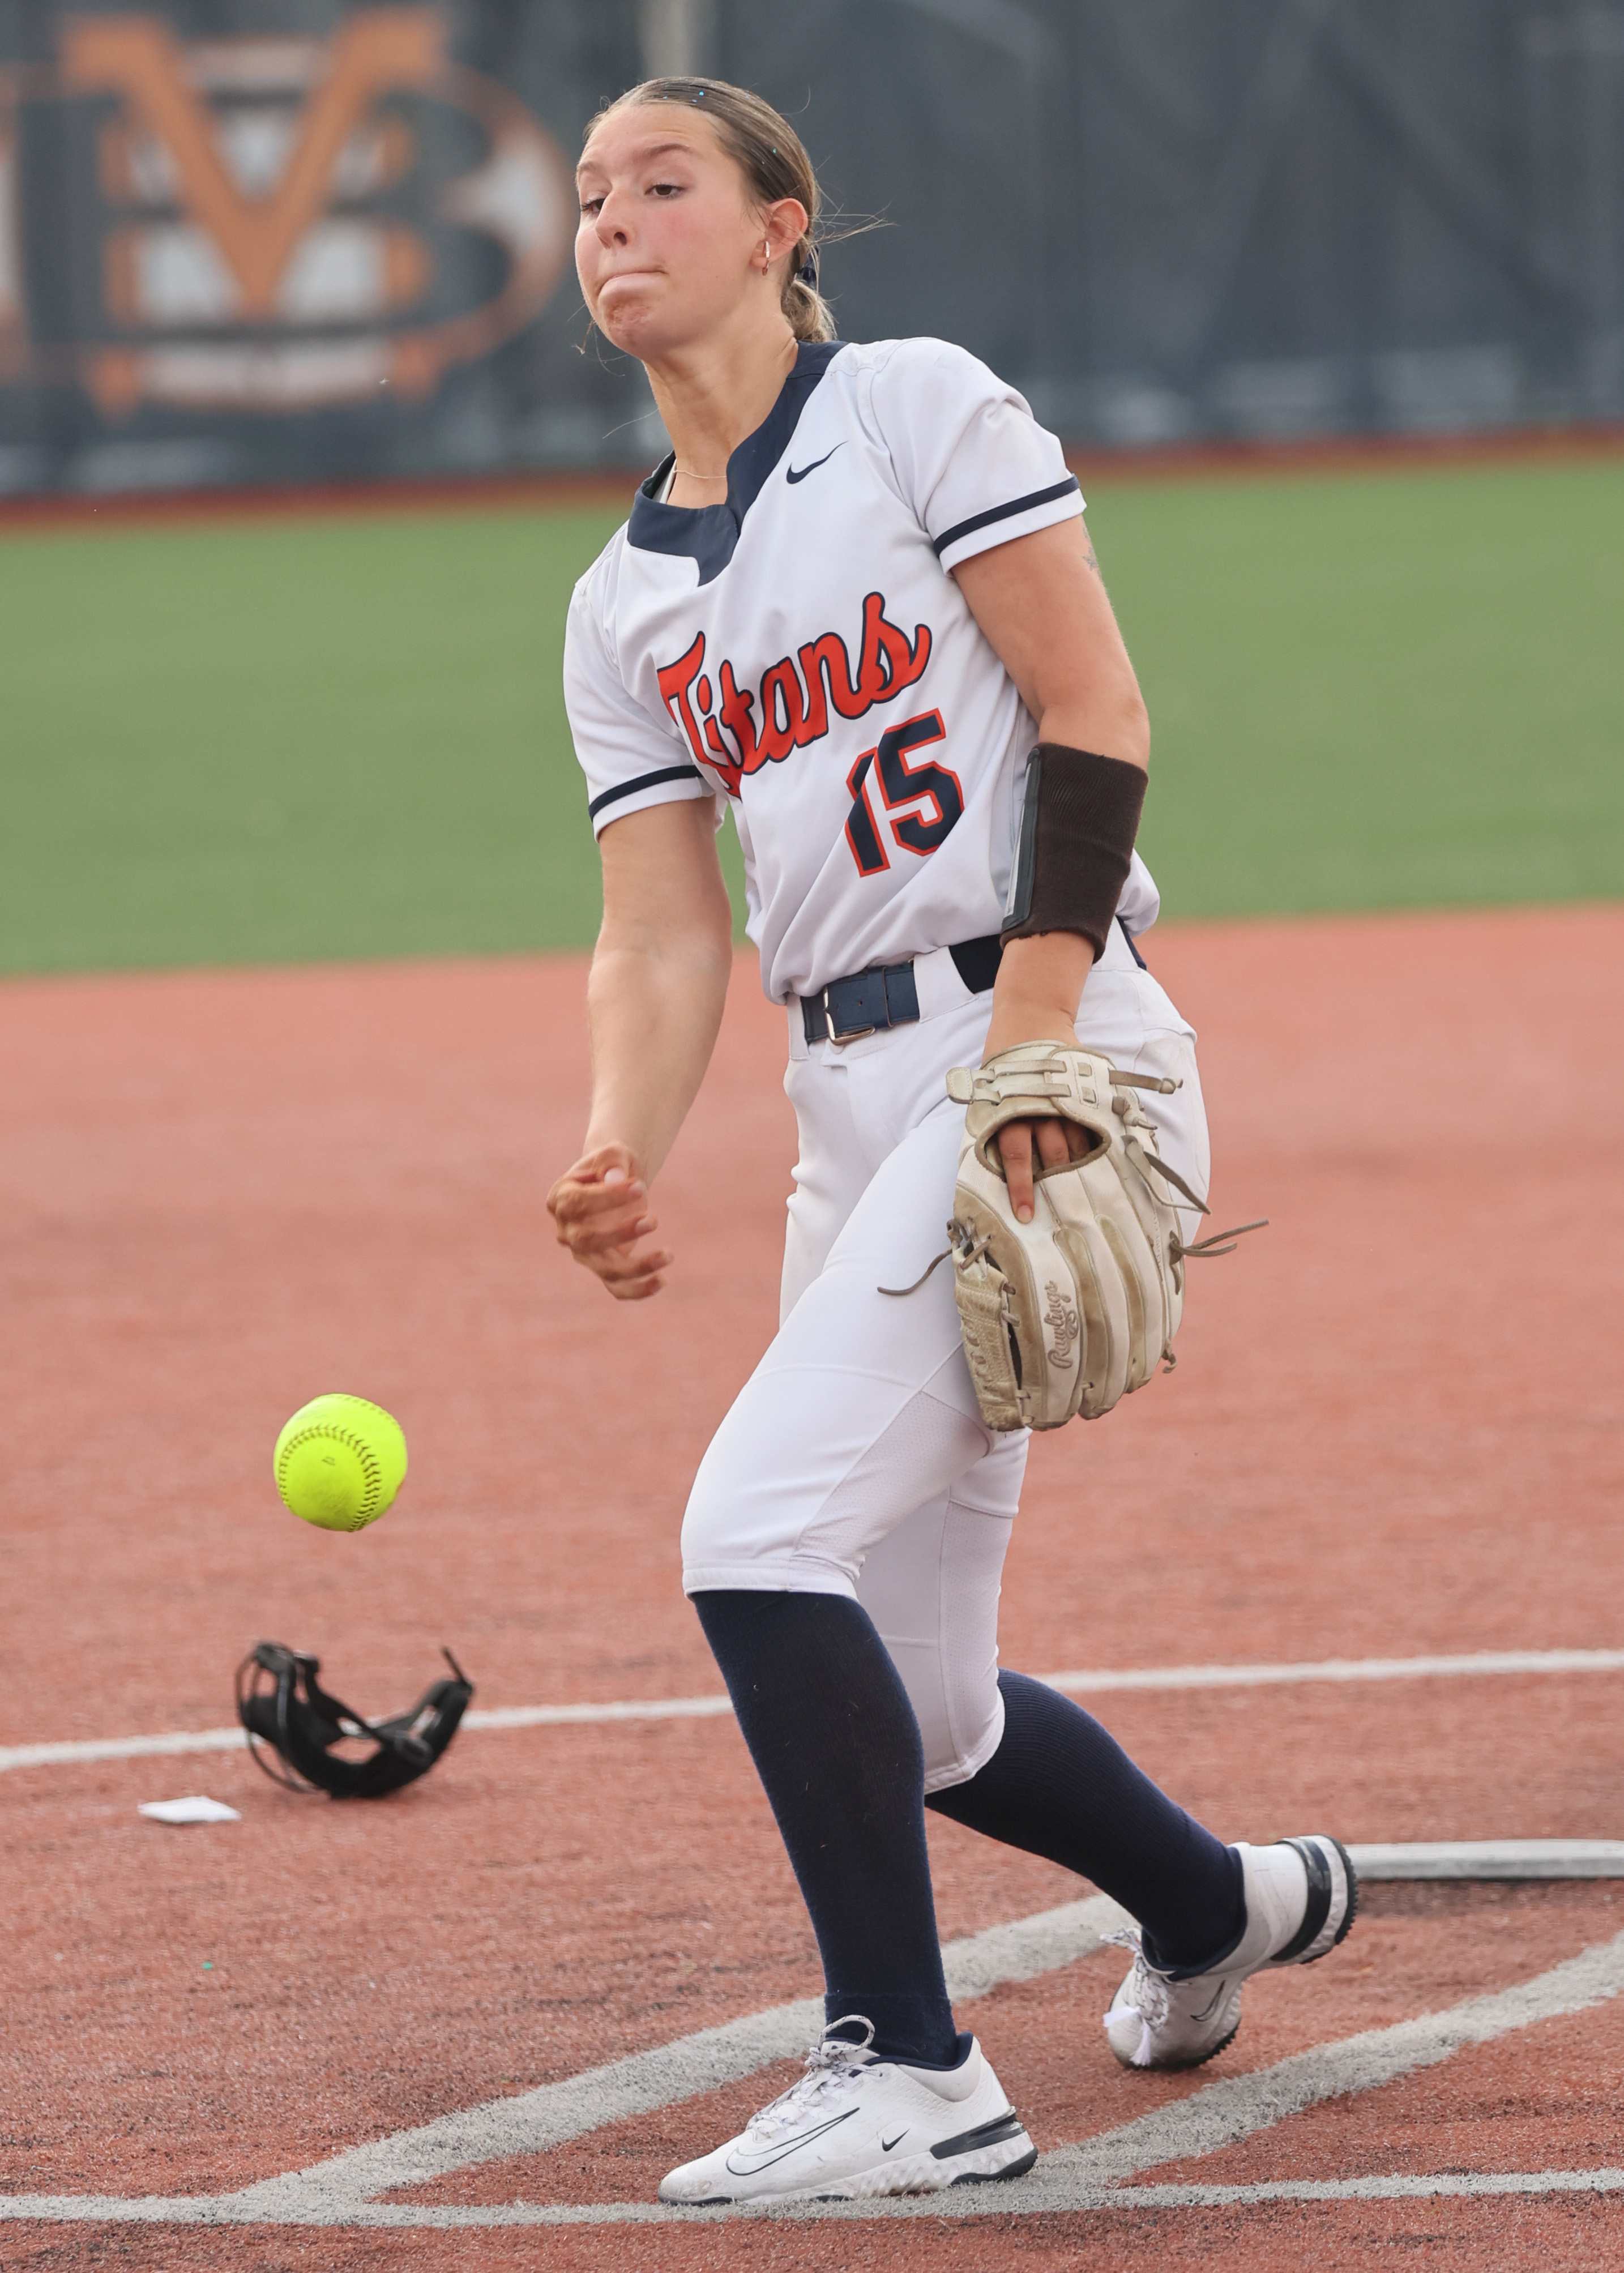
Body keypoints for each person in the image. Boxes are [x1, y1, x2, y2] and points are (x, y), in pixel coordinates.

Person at [549, 75, 1356, 2209]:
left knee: (752, 1536)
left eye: (663, 184)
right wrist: (619, 1141)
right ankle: (1214, 1906)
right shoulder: (620, 602)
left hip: (1045, 1045)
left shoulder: (911, 408)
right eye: (587, 196)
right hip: (847, 1105)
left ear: (778, 226)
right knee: (917, 1707)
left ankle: (908, 2069)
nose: (611, 222)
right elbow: (662, 931)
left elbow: (1094, 710)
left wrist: (1033, 1043)